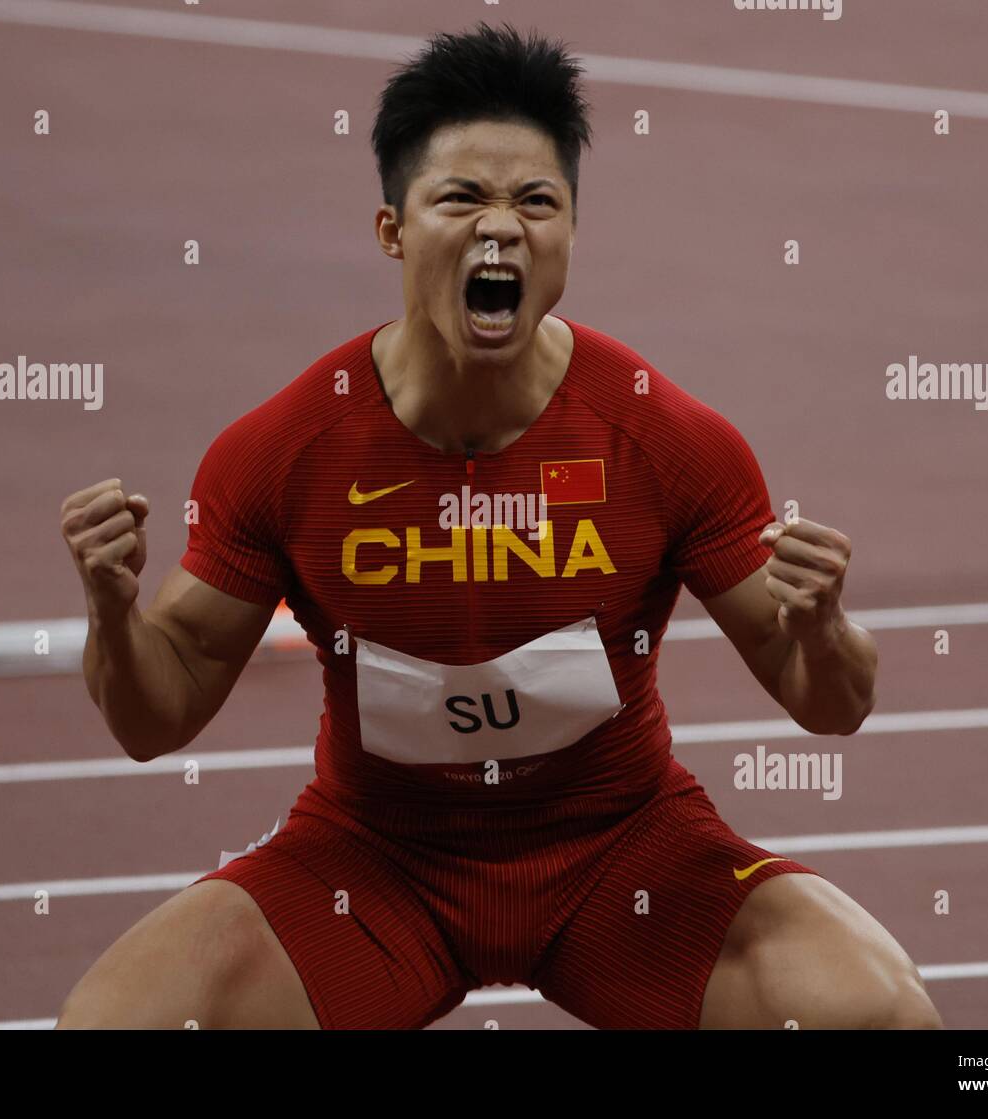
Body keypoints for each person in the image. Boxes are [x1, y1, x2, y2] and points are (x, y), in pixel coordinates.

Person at [55, 24, 941, 1030]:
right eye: (462, 198)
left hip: (622, 855)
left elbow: (831, 706)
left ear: (569, 232)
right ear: (392, 230)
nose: (501, 228)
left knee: (873, 1014)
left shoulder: (663, 436)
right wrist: (112, 613)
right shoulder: (287, 448)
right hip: (375, 864)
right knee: (116, 1028)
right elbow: (150, 720)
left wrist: (821, 627)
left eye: (535, 201)